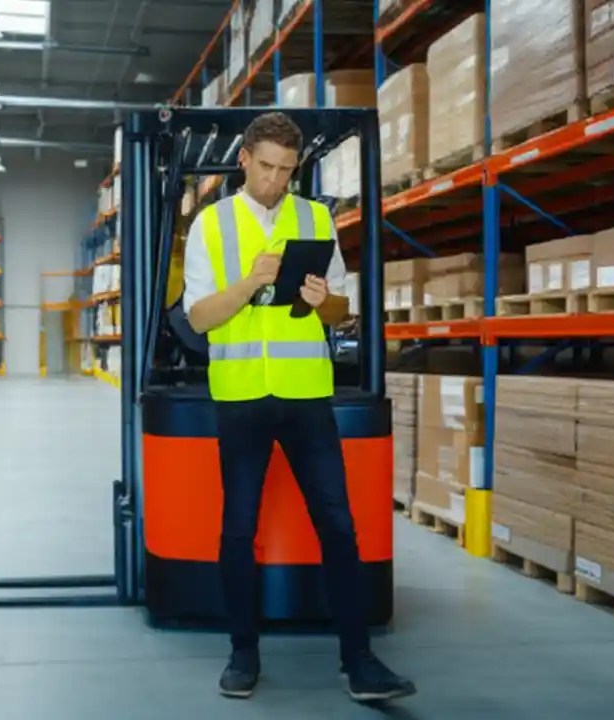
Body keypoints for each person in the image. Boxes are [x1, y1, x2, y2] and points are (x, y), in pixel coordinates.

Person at [182, 112, 416, 703]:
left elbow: (342, 312)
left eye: (286, 170)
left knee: (337, 523)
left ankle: (359, 660)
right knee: (239, 528)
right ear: (244, 160)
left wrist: (322, 301)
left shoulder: (315, 218)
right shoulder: (211, 224)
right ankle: (243, 653)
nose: (274, 180)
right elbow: (199, 318)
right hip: (241, 396)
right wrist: (248, 283)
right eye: (266, 167)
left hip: (307, 395)